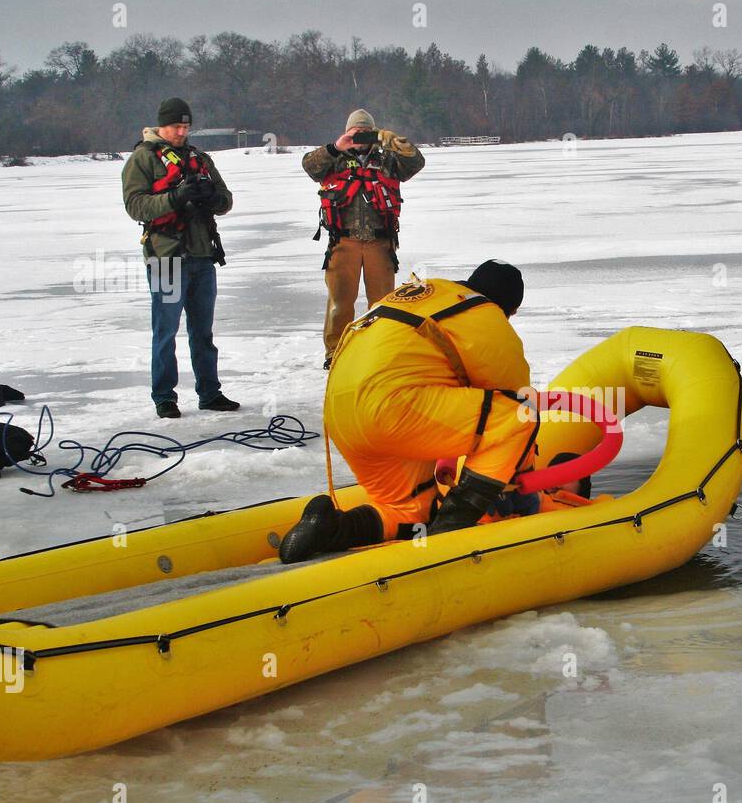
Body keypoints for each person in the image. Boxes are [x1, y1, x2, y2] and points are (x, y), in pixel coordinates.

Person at [280, 260, 535, 563]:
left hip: (341, 413)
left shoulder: (426, 293)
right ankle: (450, 531)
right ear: (511, 310)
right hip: (393, 410)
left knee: (410, 511)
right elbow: (516, 404)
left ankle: (331, 528)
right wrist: (520, 478)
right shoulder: (485, 315)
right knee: (521, 416)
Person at [121, 97, 239, 419]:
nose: (182, 132)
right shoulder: (142, 159)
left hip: (201, 256)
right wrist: (176, 198)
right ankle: (164, 397)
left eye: (186, 127)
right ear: (162, 125)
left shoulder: (199, 158)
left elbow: (226, 200)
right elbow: (135, 206)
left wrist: (211, 198)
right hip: (166, 258)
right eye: (176, 126)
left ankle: (210, 392)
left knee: (203, 331)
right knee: (166, 331)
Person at [302, 108, 426, 369]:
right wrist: (337, 146)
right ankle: (334, 352)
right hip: (343, 242)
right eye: (355, 131)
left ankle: (380, 349)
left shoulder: (387, 160)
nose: (360, 137)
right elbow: (310, 166)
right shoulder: (334, 159)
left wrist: (390, 140)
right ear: (346, 131)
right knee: (340, 303)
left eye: (365, 132)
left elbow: (416, 163)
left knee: (382, 303)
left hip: (379, 244)